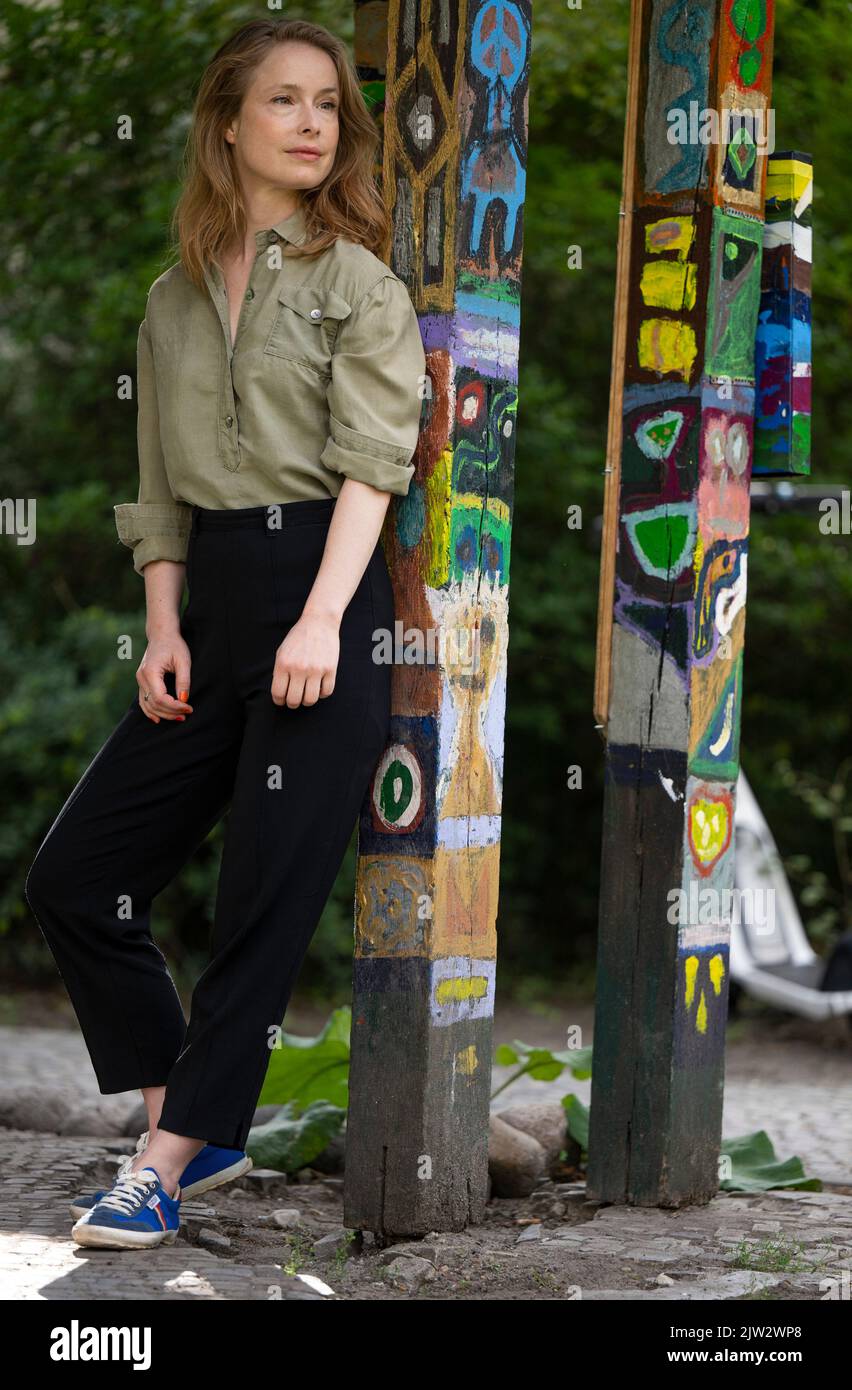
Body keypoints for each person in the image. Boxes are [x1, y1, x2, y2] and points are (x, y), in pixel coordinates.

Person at [23, 17, 426, 1251]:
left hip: (325, 596)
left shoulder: (358, 281)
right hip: (213, 610)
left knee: (261, 897)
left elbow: (373, 465)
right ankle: (188, 1122)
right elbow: (159, 488)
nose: (312, 123)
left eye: (327, 107)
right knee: (78, 876)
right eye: (285, 102)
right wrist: (162, 628)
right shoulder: (172, 301)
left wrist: (320, 618)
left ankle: (160, 1162)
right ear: (229, 125)